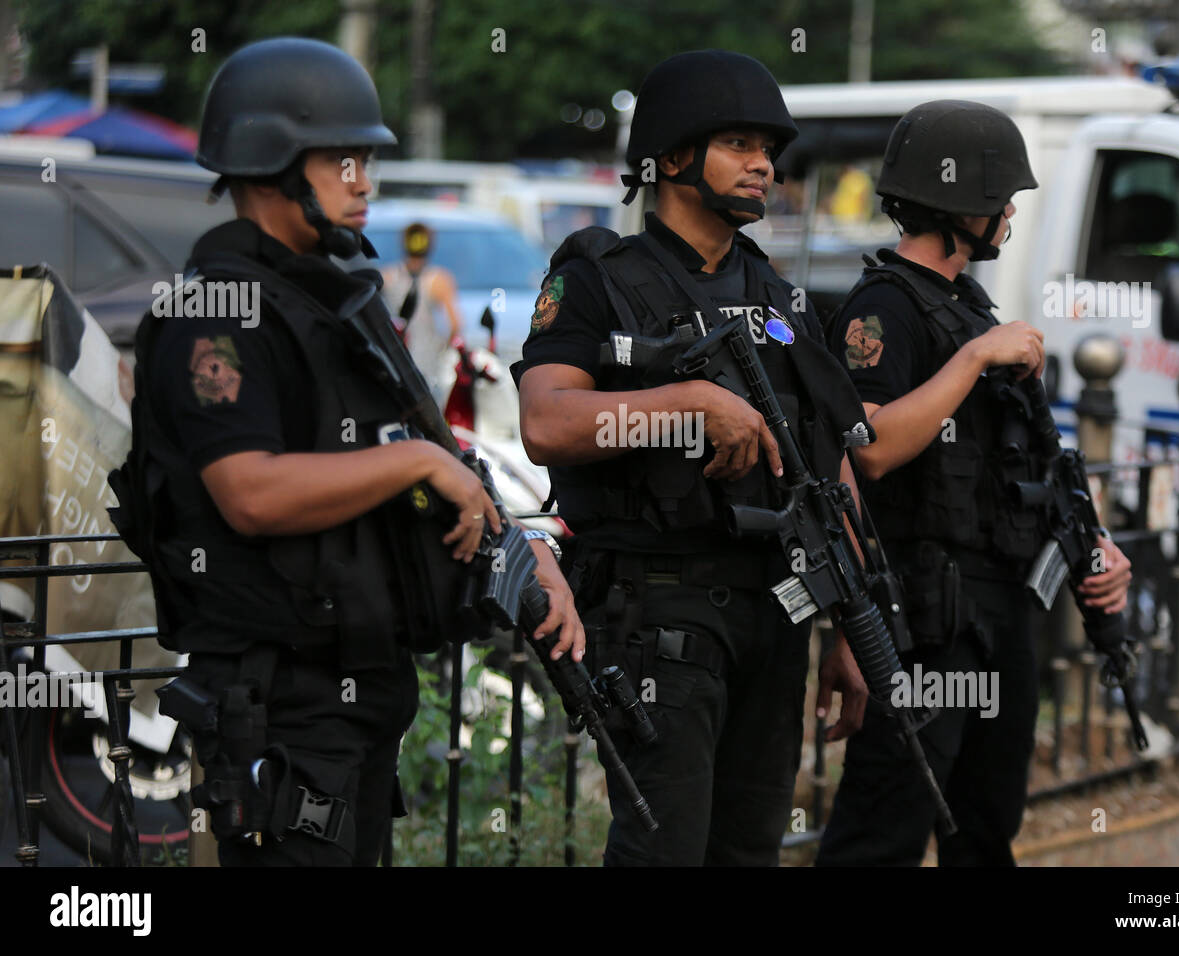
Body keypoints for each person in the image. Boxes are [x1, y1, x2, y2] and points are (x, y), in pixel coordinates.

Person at [110, 36, 581, 866]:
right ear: (269, 163)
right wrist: (422, 467)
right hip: (281, 699)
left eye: (365, 159)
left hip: (360, 688)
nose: (364, 181)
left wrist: (517, 546)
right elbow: (248, 492)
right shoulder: (215, 312)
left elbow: (425, 447)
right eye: (342, 160)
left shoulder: (337, 300)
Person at [513, 49, 869, 866]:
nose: (764, 164)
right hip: (659, 619)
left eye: (768, 149)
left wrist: (851, 623)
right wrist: (687, 405)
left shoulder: (780, 297)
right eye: (739, 143)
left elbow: (828, 472)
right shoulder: (599, 277)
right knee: (664, 853)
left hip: (776, 614)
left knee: (749, 854)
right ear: (671, 157)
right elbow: (547, 423)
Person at [816, 100, 1133, 866]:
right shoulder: (884, 308)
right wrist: (973, 361)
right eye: (1002, 200)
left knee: (988, 826)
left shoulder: (968, 306)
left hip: (999, 606)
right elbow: (869, 449)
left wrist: (1096, 546)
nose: (1012, 213)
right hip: (926, 617)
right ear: (962, 208)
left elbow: (1017, 462)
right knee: (883, 831)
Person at [379, 222, 465, 397]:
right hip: (427, 362)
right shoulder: (439, 280)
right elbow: (456, 325)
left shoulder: (386, 276)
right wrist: (442, 350)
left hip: (393, 360)